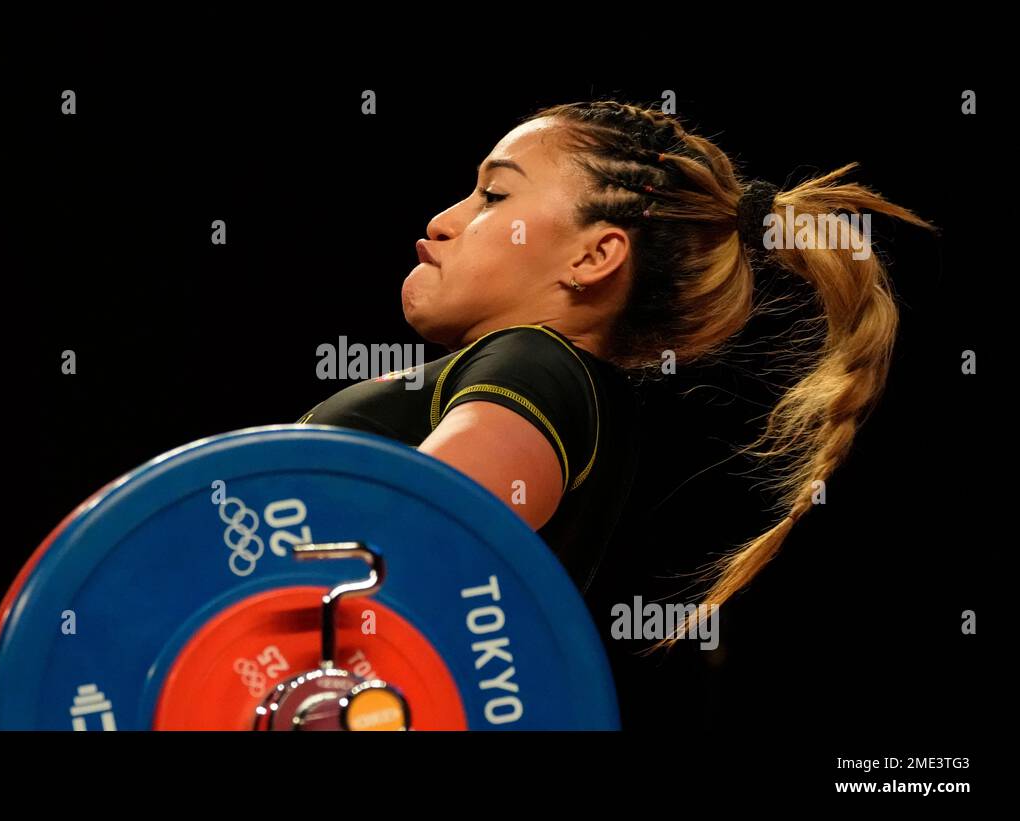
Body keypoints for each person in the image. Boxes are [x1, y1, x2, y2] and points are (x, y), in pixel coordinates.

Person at [297, 100, 934, 649]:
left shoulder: (535, 363)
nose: (443, 220)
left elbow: (411, 538)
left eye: (494, 196)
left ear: (594, 255)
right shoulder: (555, 383)